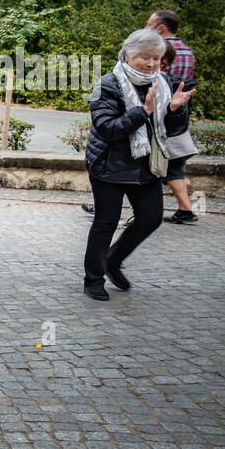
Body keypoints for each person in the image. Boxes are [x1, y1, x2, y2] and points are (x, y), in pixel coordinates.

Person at [82, 29, 192, 301]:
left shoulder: (163, 82)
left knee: (151, 218)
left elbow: (171, 128)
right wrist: (142, 111)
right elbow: (107, 128)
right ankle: (93, 278)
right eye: (145, 57)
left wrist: (176, 110)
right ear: (127, 55)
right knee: (106, 221)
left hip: (146, 164)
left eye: (156, 58)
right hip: (109, 164)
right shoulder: (108, 84)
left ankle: (111, 260)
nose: (152, 64)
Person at [156, 39, 199, 224]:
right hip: (178, 134)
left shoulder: (162, 81)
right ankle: (185, 209)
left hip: (171, 137)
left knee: (171, 171)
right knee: (172, 171)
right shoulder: (187, 52)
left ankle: (186, 209)